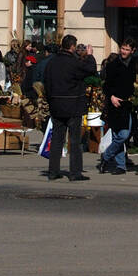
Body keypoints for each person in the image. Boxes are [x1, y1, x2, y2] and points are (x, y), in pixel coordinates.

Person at [42, 35, 97, 181]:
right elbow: (91, 70)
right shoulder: (74, 62)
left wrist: (50, 100)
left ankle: (53, 171)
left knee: (57, 140)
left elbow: (46, 83)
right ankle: (75, 172)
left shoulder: (52, 62)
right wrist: (90, 56)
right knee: (74, 141)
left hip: (56, 105)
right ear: (72, 46)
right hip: (73, 105)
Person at [99, 41, 136, 174]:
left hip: (127, 103)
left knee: (124, 134)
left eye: (127, 49)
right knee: (117, 135)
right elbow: (106, 86)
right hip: (114, 103)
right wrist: (111, 97)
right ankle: (120, 165)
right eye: (122, 48)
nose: (124, 51)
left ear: (132, 50)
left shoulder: (133, 64)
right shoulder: (113, 65)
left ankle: (107, 156)